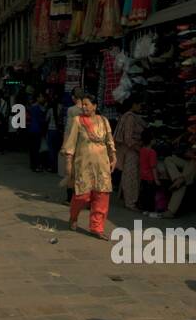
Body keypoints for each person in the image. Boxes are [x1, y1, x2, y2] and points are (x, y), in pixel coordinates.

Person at [61, 92, 116, 238]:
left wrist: (113, 156)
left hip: (102, 165)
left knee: (101, 196)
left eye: (87, 104)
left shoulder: (103, 121)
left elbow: (109, 140)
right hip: (83, 164)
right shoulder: (77, 121)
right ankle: (73, 217)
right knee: (82, 196)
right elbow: (71, 142)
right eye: (82, 104)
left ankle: (97, 228)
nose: (84, 107)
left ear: (95, 106)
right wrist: (68, 162)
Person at [115, 97, 146, 211]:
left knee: (131, 176)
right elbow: (128, 138)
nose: (140, 107)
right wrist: (139, 149)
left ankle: (130, 200)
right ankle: (130, 202)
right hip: (131, 151)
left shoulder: (130, 117)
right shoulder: (130, 118)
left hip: (132, 150)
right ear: (133, 105)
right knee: (131, 176)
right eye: (138, 104)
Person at [138, 129, 160, 217]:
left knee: (145, 194)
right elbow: (153, 167)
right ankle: (151, 211)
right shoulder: (152, 152)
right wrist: (157, 179)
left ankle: (145, 209)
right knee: (151, 195)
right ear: (151, 140)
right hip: (150, 178)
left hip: (143, 176)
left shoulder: (142, 150)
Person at [43, 91, 63, 173]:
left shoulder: (51, 110)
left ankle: (52, 167)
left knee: (51, 150)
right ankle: (58, 167)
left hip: (51, 131)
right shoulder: (62, 108)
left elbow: (46, 120)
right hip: (58, 131)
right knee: (57, 149)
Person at [26, 94, 47, 172]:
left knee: (32, 148)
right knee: (36, 149)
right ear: (37, 98)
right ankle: (37, 166)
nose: (43, 98)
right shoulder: (38, 108)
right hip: (36, 130)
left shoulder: (31, 107)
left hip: (30, 129)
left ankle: (33, 165)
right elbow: (41, 120)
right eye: (41, 96)